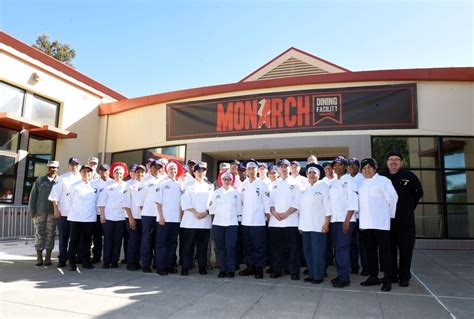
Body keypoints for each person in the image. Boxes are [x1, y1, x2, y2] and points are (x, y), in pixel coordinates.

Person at [381, 151, 423, 287]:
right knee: (390, 250)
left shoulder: (409, 176)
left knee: (405, 250)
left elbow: (418, 193)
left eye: (396, 159)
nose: (393, 162)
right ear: (387, 162)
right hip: (387, 221)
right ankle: (392, 275)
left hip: (405, 222)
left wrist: (408, 208)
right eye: (391, 159)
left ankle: (404, 277)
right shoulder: (381, 176)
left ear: (401, 162)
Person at [359, 158, 398, 292]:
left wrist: (390, 216)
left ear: (375, 168)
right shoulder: (362, 183)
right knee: (370, 252)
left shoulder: (383, 181)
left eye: (369, 167)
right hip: (366, 224)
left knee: (385, 252)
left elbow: (393, 198)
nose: (367, 170)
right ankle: (373, 276)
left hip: (381, 223)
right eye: (364, 168)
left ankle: (387, 279)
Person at [328, 156, 359, 288]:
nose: (336, 167)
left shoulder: (350, 181)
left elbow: (353, 202)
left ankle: (344, 278)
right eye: (335, 165)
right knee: (337, 248)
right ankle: (341, 274)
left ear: (346, 167)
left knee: (342, 249)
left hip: (345, 221)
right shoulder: (334, 182)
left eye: (340, 165)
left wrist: (347, 221)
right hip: (335, 221)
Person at [268, 159, 301, 280]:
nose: (284, 168)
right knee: (276, 248)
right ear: (277, 168)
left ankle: (293, 271)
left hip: (291, 221)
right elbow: (269, 203)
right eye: (281, 166)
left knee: (293, 248)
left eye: (286, 166)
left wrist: (286, 214)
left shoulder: (296, 183)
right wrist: (274, 213)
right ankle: (277, 270)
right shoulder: (272, 184)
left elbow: (297, 202)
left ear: (289, 168)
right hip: (275, 221)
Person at [180, 162, 214, 276]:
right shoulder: (187, 185)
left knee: (202, 247)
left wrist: (206, 212)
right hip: (190, 221)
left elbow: (213, 203)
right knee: (187, 246)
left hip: (204, 221)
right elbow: (185, 201)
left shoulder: (210, 186)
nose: (201, 173)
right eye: (198, 171)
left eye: (203, 170)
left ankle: (202, 267)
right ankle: (185, 267)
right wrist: (195, 213)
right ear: (194, 172)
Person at [299, 163, 331, 284]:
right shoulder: (304, 188)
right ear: (307, 175)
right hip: (305, 225)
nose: (311, 175)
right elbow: (301, 208)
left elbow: (328, 207)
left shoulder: (323, 186)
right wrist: (300, 226)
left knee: (318, 252)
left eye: (314, 173)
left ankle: (319, 275)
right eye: (309, 173)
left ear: (318, 175)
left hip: (319, 225)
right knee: (308, 251)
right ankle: (312, 273)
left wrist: (326, 223)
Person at [239, 160, 271, 279]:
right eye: (249, 169)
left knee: (259, 246)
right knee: (248, 246)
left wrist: (267, 214)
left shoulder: (263, 185)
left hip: (258, 221)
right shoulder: (244, 185)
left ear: (257, 170)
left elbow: (267, 201)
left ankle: (259, 268)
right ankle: (250, 267)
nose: (251, 171)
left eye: (253, 168)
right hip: (245, 221)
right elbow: (241, 202)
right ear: (246, 171)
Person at [48, 157, 81, 267]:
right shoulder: (61, 178)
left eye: (76, 165)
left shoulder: (82, 178)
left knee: (75, 237)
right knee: (63, 237)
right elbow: (54, 196)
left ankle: (73, 257)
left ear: (79, 166)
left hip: (76, 215)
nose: (74, 166)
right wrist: (56, 210)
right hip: (63, 214)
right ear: (68, 165)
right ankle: (62, 259)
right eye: (72, 164)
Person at [98, 163, 131, 268]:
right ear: (113, 174)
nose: (119, 175)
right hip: (108, 216)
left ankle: (114, 261)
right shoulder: (107, 185)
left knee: (118, 240)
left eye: (121, 173)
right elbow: (101, 202)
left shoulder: (126, 185)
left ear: (124, 174)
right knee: (108, 239)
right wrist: (102, 215)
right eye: (117, 173)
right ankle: (106, 261)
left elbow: (127, 202)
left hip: (121, 217)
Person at [209, 171, 242, 278]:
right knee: (220, 248)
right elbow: (212, 209)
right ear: (221, 181)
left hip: (232, 223)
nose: (227, 181)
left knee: (231, 247)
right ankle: (222, 269)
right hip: (218, 223)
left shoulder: (236, 193)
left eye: (229, 179)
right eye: (225, 179)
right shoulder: (216, 192)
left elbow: (239, 210)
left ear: (232, 181)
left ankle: (231, 269)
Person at [67, 165, 100, 271]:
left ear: (91, 173)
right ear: (81, 173)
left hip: (89, 218)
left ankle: (86, 262)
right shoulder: (74, 185)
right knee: (74, 241)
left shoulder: (96, 185)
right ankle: (72, 263)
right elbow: (69, 200)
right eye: (84, 171)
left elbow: (97, 201)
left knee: (87, 241)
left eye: (89, 172)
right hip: (76, 217)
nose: (86, 173)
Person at [154, 161, 182, 275]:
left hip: (175, 220)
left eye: (174, 169)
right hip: (164, 219)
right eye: (171, 169)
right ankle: (161, 267)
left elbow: (181, 203)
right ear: (167, 170)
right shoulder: (162, 183)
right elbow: (158, 202)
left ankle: (169, 265)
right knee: (162, 243)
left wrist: (181, 217)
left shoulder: (180, 184)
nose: (173, 171)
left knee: (172, 243)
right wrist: (161, 216)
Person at [29, 160, 59, 266]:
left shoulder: (60, 181)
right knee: (39, 233)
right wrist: (32, 210)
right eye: (50, 167)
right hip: (40, 212)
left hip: (53, 213)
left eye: (54, 167)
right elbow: (33, 196)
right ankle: (39, 257)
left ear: (57, 169)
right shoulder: (40, 180)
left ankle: (48, 257)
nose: (52, 169)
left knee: (51, 234)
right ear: (47, 168)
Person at [138, 159, 164, 272]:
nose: (157, 170)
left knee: (158, 240)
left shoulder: (163, 180)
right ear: (150, 168)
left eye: (159, 168)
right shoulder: (144, 181)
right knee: (146, 240)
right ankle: (145, 264)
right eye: (155, 167)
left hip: (160, 215)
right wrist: (146, 212)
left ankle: (157, 263)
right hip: (148, 215)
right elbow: (140, 201)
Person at [347, 157, 368, 276]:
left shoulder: (364, 178)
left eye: (354, 165)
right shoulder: (344, 179)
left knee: (364, 244)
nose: (351, 168)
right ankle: (354, 266)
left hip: (362, 216)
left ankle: (366, 267)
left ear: (358, 167)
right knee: (351, 243)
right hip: (350, 217)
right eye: (349, 165)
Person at [125, 164, 145, 271]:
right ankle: (131, 262)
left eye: (142, 172)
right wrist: (131, 218)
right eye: (138, 172)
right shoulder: (129, 185)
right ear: (134, 173)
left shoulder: (146, 185)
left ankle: (137, 262)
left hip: (144, 218)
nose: (140, 174)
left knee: (140, 241)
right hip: (132, 217)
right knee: (133, 240)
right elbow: (126, 203)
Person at [91, 163, 110, 263]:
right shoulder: (94, 183)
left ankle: (107, 257)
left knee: (108, 237)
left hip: (109, 215)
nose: (103, 172)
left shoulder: (112, 183)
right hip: (97, 214)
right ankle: (96, 256)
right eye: (102, 171)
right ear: (99, 172)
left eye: (105, 170)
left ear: (109, 171)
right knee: (97, 237)